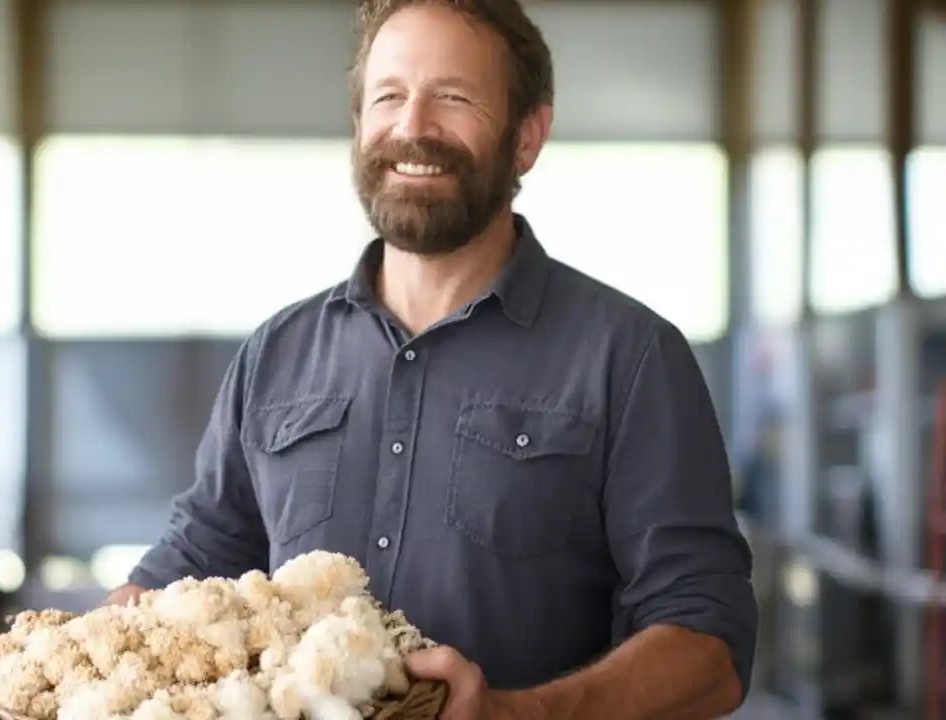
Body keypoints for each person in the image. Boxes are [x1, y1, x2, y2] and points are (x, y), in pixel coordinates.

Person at [108, 1, 757, 717]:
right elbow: (190, 569)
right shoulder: (276, 356)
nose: (412, 127)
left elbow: (710, 644)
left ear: (527, 137)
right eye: (388, 97)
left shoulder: (629, 357)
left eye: (454, 98)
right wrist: (68, 656)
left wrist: (513, 714)